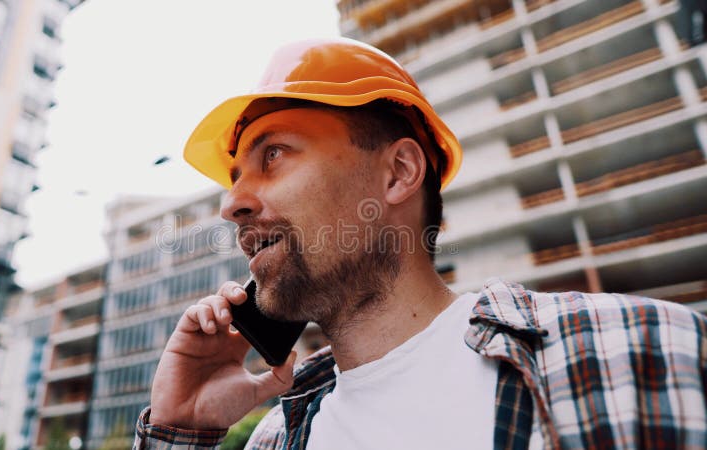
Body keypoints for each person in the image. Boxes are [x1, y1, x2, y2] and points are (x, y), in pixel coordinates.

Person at [133, 38, 707, 450]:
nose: (231, 204)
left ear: (398, 173)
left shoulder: (642, 352)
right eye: (235, 176)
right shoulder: (277, 436)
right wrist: (180, 431)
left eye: (273, 154)